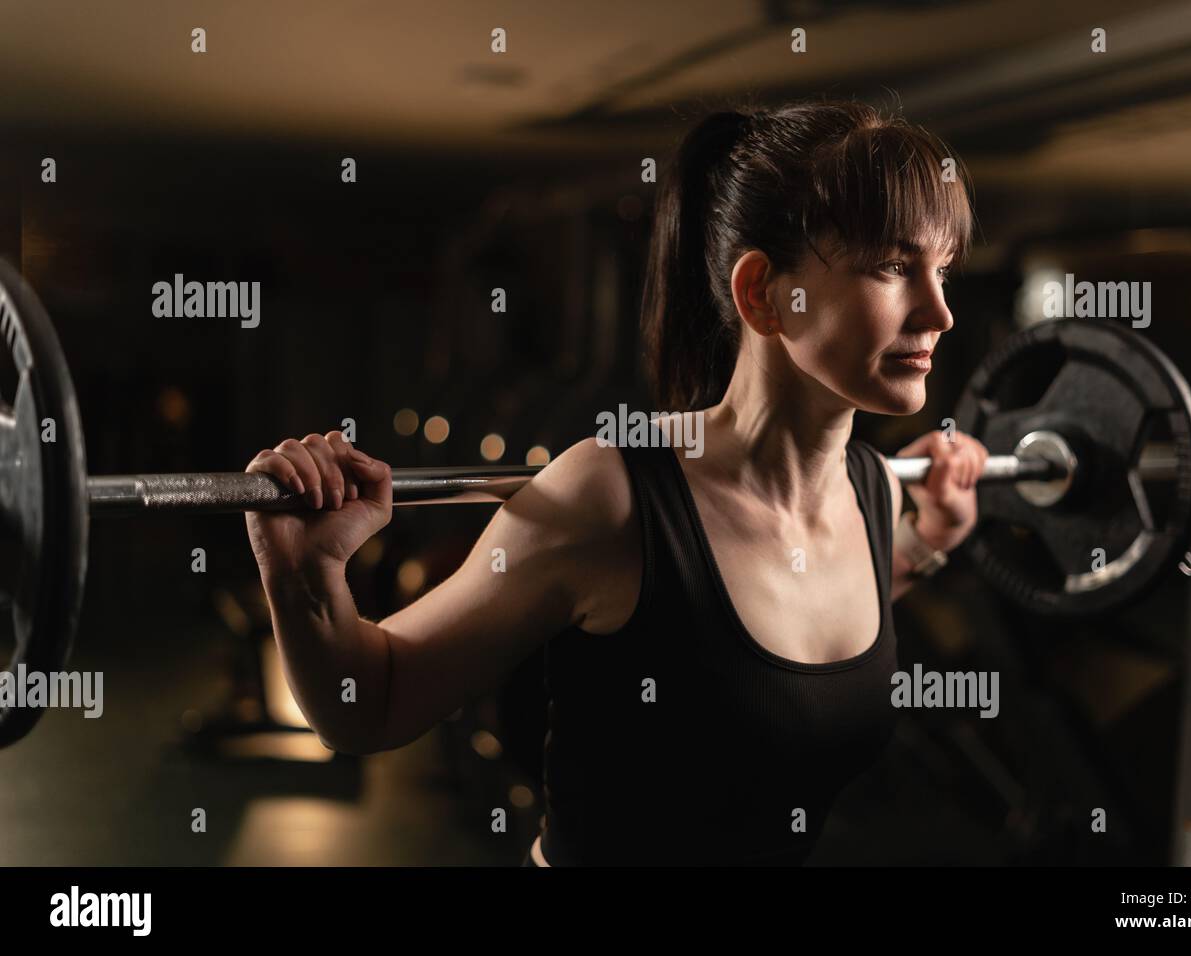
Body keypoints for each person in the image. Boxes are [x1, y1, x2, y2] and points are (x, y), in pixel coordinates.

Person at [243, 100, 989, 866]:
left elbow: (788, 641)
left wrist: (929, 538)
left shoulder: (873, 492)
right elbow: (375, 702)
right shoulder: (611, 498)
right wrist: (302, 571)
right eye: (894, 268)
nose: (939, 312)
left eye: (941, 271)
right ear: (763, 292)